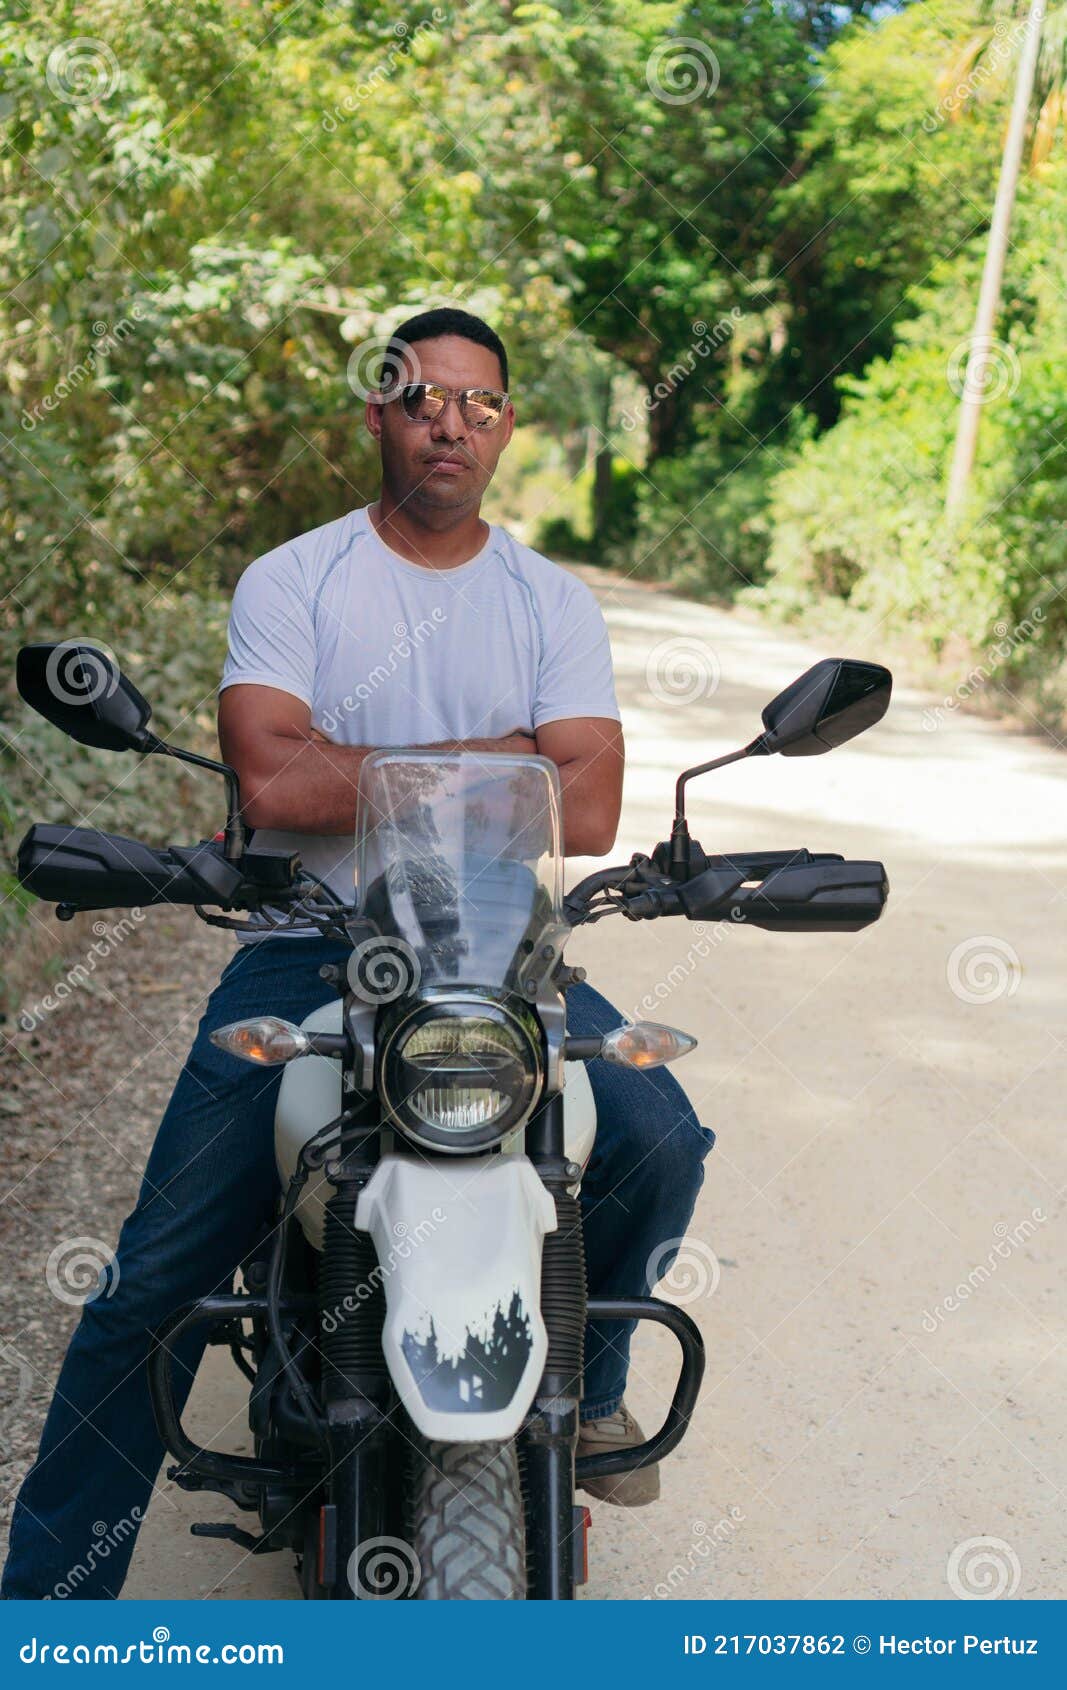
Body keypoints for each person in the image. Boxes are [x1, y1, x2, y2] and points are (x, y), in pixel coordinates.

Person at [2, 307, 713, 1599]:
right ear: (378, 410)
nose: (453, 421)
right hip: (311, 948)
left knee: (662, 1137)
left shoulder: (549, 600)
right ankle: (45, 1614)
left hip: (502, 954)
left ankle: (586, 1388)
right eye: (425, 397)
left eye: (481, 404)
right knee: (150, 1275)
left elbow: (595, 807)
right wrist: (508, 756)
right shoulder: (298, 581)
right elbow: (269, 781)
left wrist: (372, 772)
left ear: (503, 430)